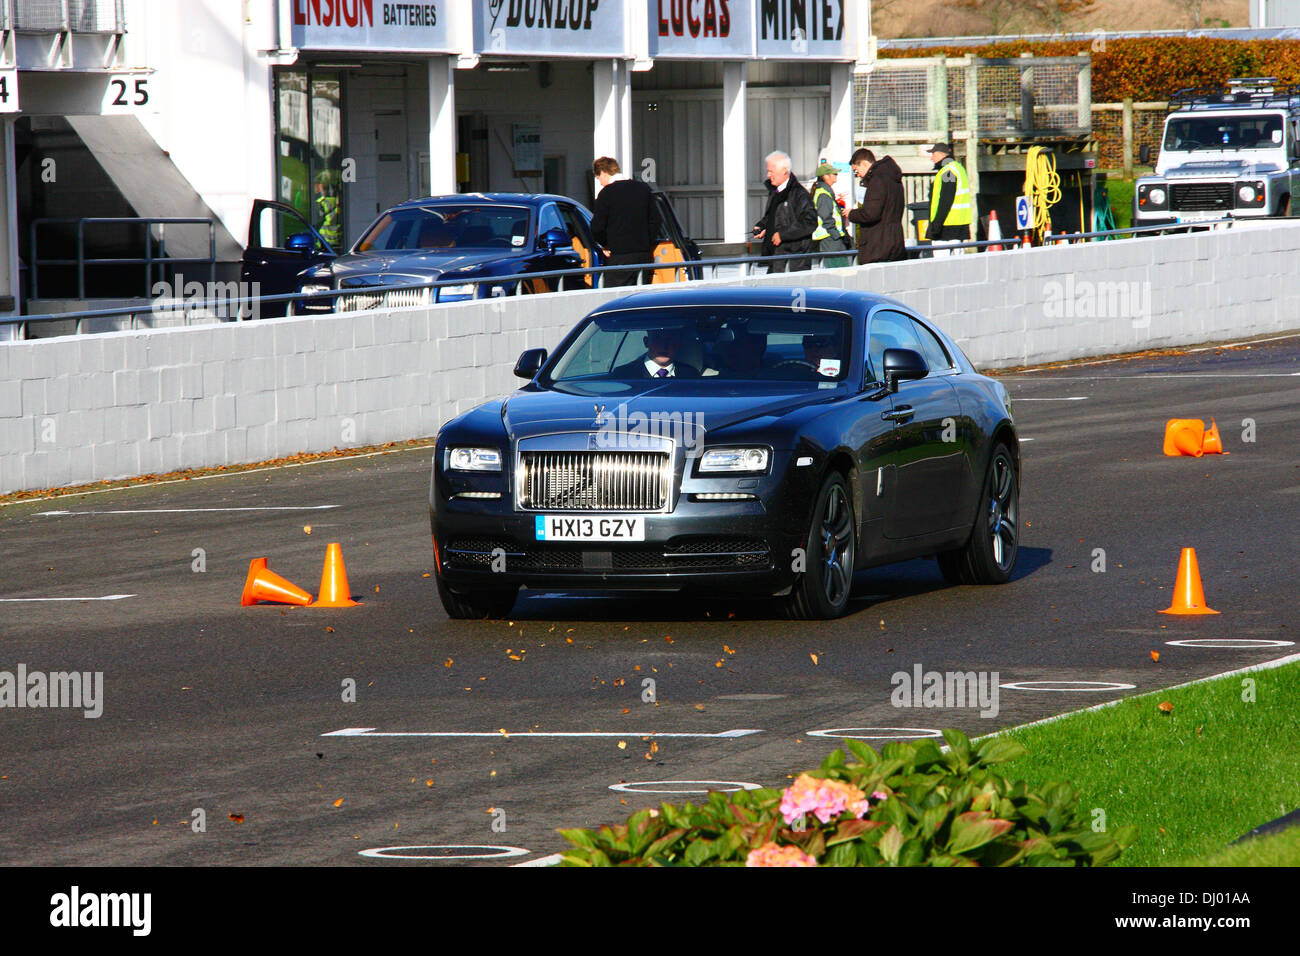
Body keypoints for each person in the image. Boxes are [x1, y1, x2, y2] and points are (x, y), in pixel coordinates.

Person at [590, 156, 660, 287]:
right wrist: (645, 242)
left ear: (603, 172)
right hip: (643, 256)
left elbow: (597, 228)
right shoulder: (643, 189)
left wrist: (606, 245)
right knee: (640, 298)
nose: (599, 182)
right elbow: (656, 221)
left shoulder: (606, 194)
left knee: (617, 299)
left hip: (619, 256)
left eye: (598, 178)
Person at [752, 151, 817, 273]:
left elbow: (810, 222)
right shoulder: (775, 192)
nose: (768, 175)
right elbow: (773, 216)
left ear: (784, 170)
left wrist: (783, 234)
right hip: (776, 258)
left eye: (771, 171)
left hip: (793, 261)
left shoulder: (799, 194)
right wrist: (762, 226)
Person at [846, 148, 906, 265]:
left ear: (863, 163)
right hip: (895, 241)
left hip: (877, 245)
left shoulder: (876, 180)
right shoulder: (894, 179)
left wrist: (851, 214)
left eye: (856, 170)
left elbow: (871, 213)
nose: (857, 175)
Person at [925, 142, 971, 256]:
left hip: (947, 227)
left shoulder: (948, 171)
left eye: (933, 155)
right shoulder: (957, 168)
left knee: (942, 262)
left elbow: (946, 199)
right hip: (957, 225)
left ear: (941, 155)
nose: (931, 158)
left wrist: (936, 225)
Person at [612, 328, 701, 379]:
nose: (663, 346)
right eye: (657, 339)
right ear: (646, 342)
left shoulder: (690, 375)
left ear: (676, 344)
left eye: (669, 340)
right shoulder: (623, 375)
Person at [810, 162, 853, 267]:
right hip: (830, 240)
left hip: (831, 238)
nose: (836, 176)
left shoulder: (824, 192)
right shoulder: (823, 194)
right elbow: (826, 217)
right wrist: (837, 236)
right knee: (839, 271)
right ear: (825, 176)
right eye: (834, 174)